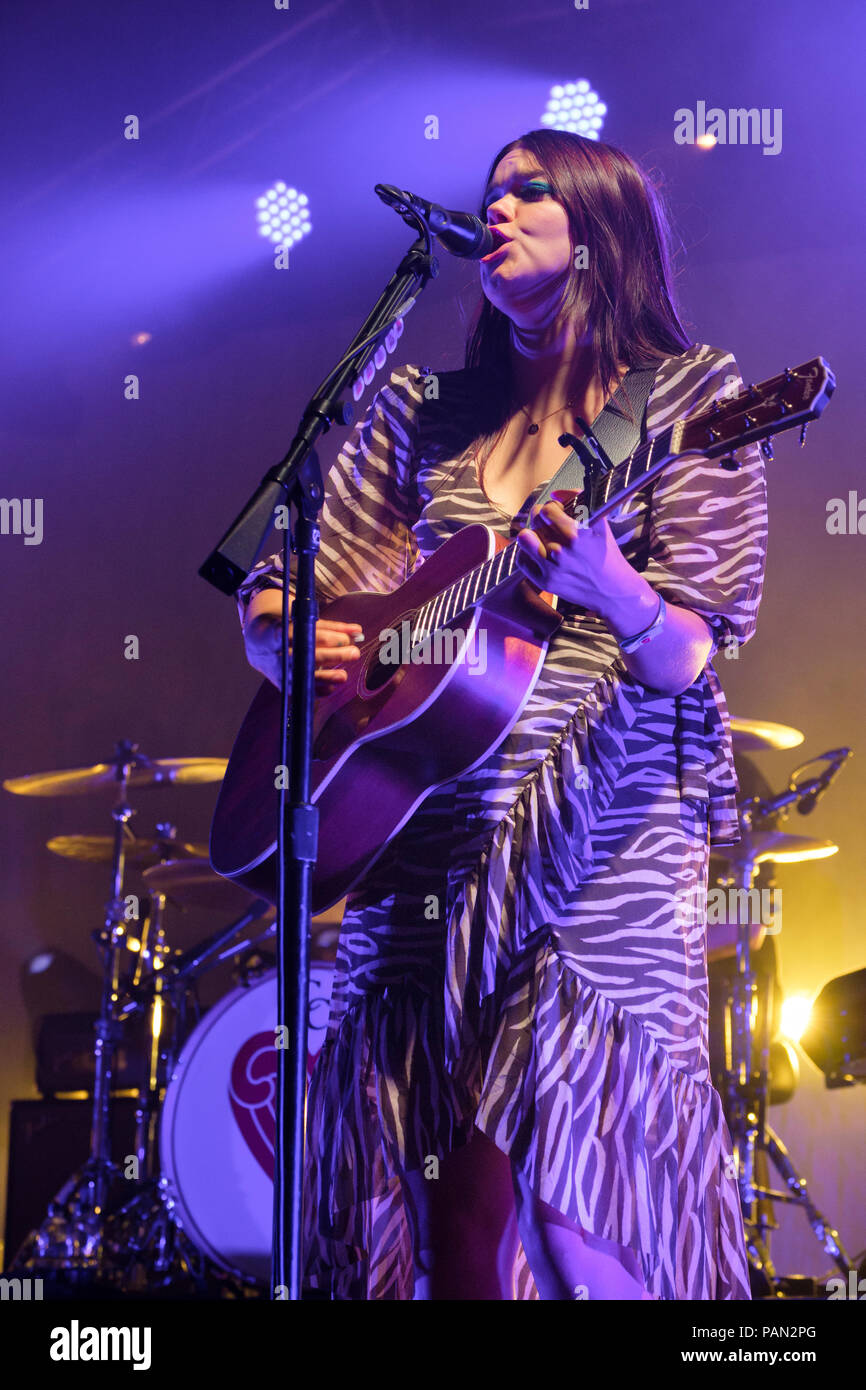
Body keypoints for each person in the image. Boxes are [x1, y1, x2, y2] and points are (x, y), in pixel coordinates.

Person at [237, 129, 768, 1300]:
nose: (498, 209)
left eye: (530, 191)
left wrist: (612, 592)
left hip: (602, 837)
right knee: (433, 1215)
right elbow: (310, 577)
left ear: (600, 227)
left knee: (577, 1190)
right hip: (419, 825)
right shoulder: (424, 414)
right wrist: (275, 630)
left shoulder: (688, 397)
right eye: (488, 195)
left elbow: (686, 652)